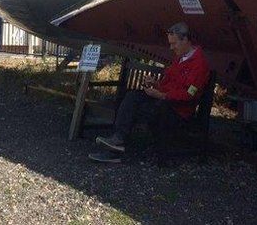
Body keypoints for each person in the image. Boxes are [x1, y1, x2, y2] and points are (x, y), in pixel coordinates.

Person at [90, 22, 210, 163]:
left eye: (174, 43)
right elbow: (167, 84)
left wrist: (162, 95)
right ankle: (118, 139)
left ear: (185, 40)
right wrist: (156, 84)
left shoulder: (199, 65)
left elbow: (189, 94)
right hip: (164, 102)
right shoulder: (180, 58)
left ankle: (119, 150)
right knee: (132, 96)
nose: (171, 48)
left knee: (142, 109)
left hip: (178, 111)